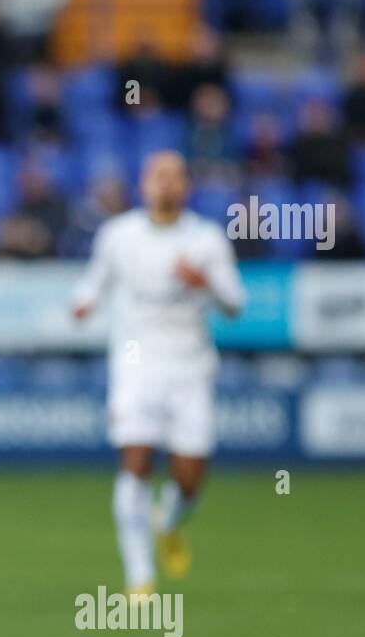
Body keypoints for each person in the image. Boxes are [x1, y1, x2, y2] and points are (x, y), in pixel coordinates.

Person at [71, 151, 245, 597]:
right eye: (157, 176)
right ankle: (139, 577)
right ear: (143, 184)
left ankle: (167, 519)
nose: (165, 184)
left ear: (186, 187)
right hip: (135, 364)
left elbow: (235, 304)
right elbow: (95, 281)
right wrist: (83, 302)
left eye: (174, 177)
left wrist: (203, 280)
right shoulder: (118, 235)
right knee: (136, 462)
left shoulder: (206, 241)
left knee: (189, 479)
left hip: (190, 367)